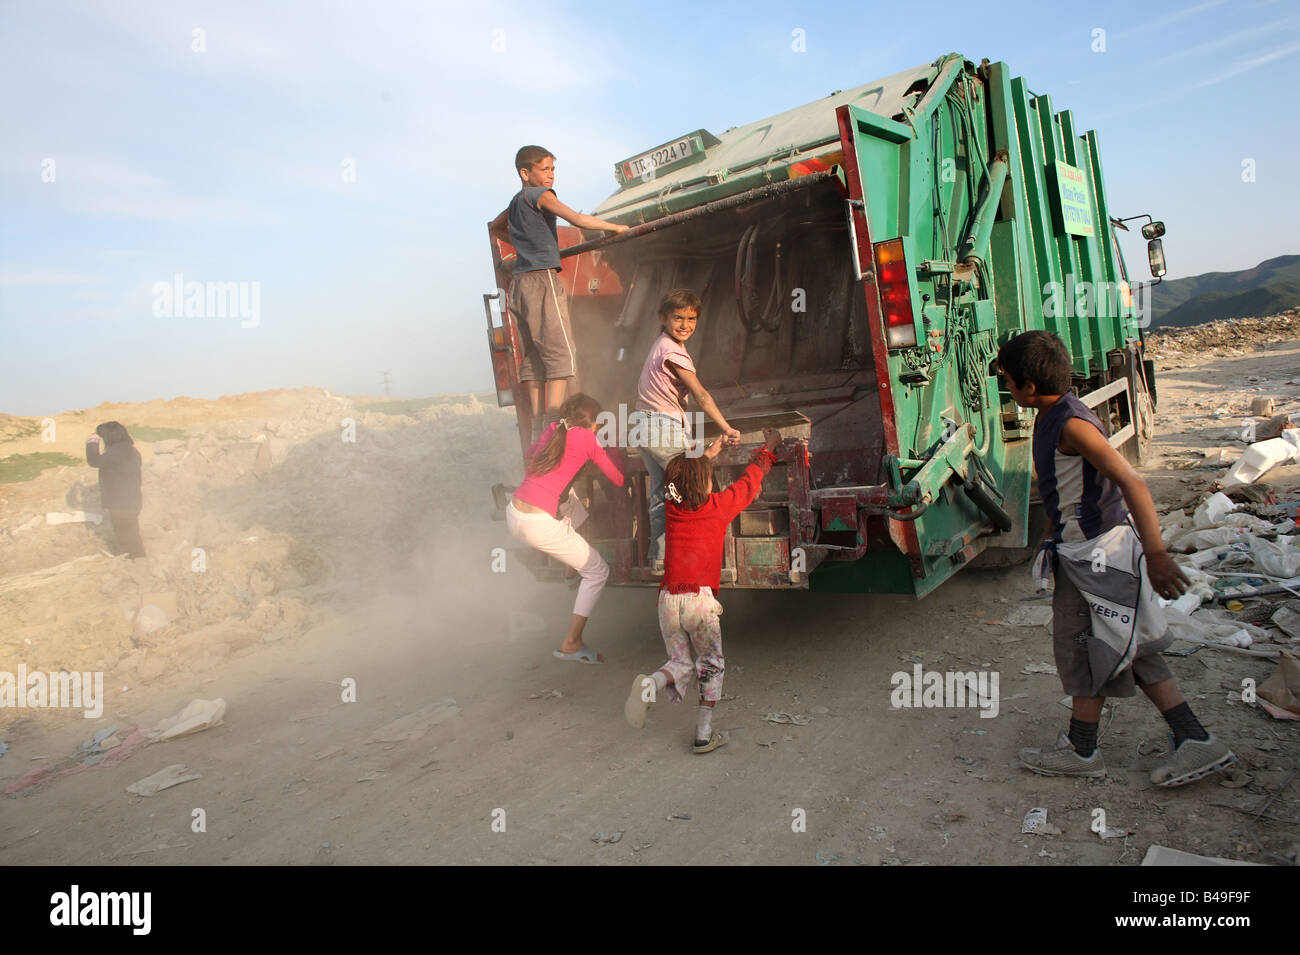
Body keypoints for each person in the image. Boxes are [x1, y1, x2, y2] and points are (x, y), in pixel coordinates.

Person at [998, 331, 1235, 786]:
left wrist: (1158, 553)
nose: (1007, 389)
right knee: (1124, 644)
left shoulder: (1071, 424)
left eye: (1008, 381)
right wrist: (1053, 527)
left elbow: (1133, 484)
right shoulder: (1053, 416)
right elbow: (1069, 487)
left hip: (1099, 558)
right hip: (1082, 553)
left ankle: (1084, 751)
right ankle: (1193, 739)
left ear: (1029, 386)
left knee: (1086, 645)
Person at [624, 428, 780, 754]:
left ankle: (650, 684)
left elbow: (678, 480)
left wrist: (709, 452)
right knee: (710, 663)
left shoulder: (672, 505)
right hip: (699, 602)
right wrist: (769, 449)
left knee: (679, 663)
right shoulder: (719, 506)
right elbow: (749, 482)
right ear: (707, 481)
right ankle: (703, 734)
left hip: (668, 599)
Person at [489, 145, 629, 443]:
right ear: (525, 173)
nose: (550, 175)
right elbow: (578, 220)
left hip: (520, 285)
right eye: (544, 169)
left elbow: (496, 227)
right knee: (562, 357)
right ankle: (554, 423)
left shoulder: (515, 202)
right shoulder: (540, 196)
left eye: (553, 169)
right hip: (542, 281)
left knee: (535, 362)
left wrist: (519, 242)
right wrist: (616, 227)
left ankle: (540, 426)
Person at [506, 393, 625, 663]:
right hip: (537, 524)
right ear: (591, 421)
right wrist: (613, 448)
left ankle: (571, 570)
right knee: (597, 571)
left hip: (515, 511)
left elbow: (529, 455)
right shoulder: (588, 439)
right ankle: (571, 642)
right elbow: (618, 479)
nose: (598, 428)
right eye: (598, 423)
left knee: (571, 504)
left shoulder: (552, 429)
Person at [632, 289, 740, 568]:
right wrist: (726, 428)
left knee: (664, 491)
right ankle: (693, 557)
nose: (685, 325)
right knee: (691, 485)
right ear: (663, 318)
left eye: (691, 319)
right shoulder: (672, 351)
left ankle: (659, 559)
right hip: (661, 425)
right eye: (678, 318)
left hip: (643, 425)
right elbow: (701, 394)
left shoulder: (661, 344)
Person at [85, 421, 145, 558]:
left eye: (103, 437)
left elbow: (94, 461)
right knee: (131, 535)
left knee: (127, 538)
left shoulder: (117, 452)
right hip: (132, 500)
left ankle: (136, 563)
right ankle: (136, 561)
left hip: (121, 504)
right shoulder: (132, 451)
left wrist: (92, 441)